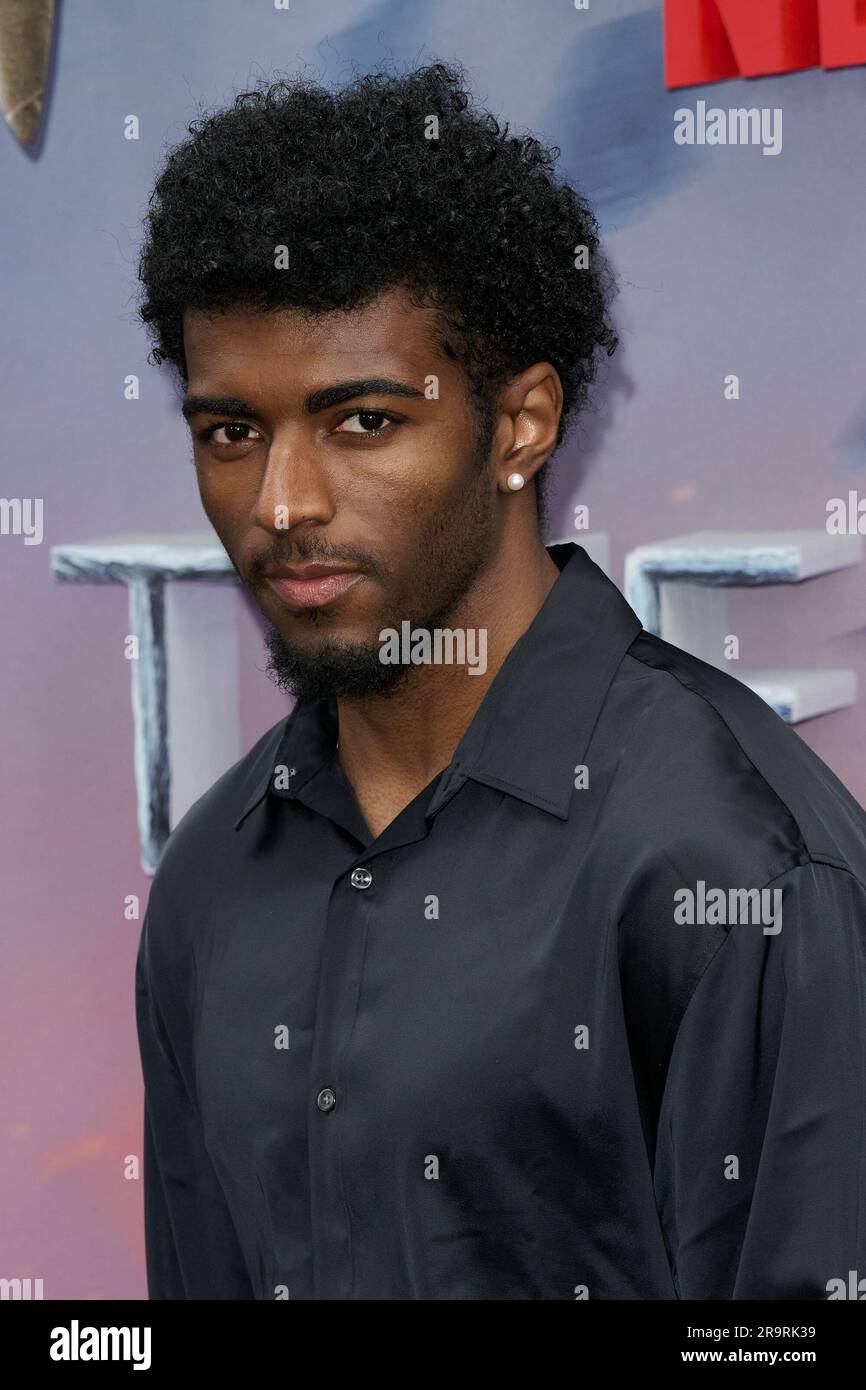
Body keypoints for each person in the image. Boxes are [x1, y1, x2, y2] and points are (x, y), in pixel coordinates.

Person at [134, 61, 866, 1300]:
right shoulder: (213, 876)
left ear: (521, 425)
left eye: (362, 419)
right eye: (231, 432)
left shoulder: (732, 868)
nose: (281, 503)